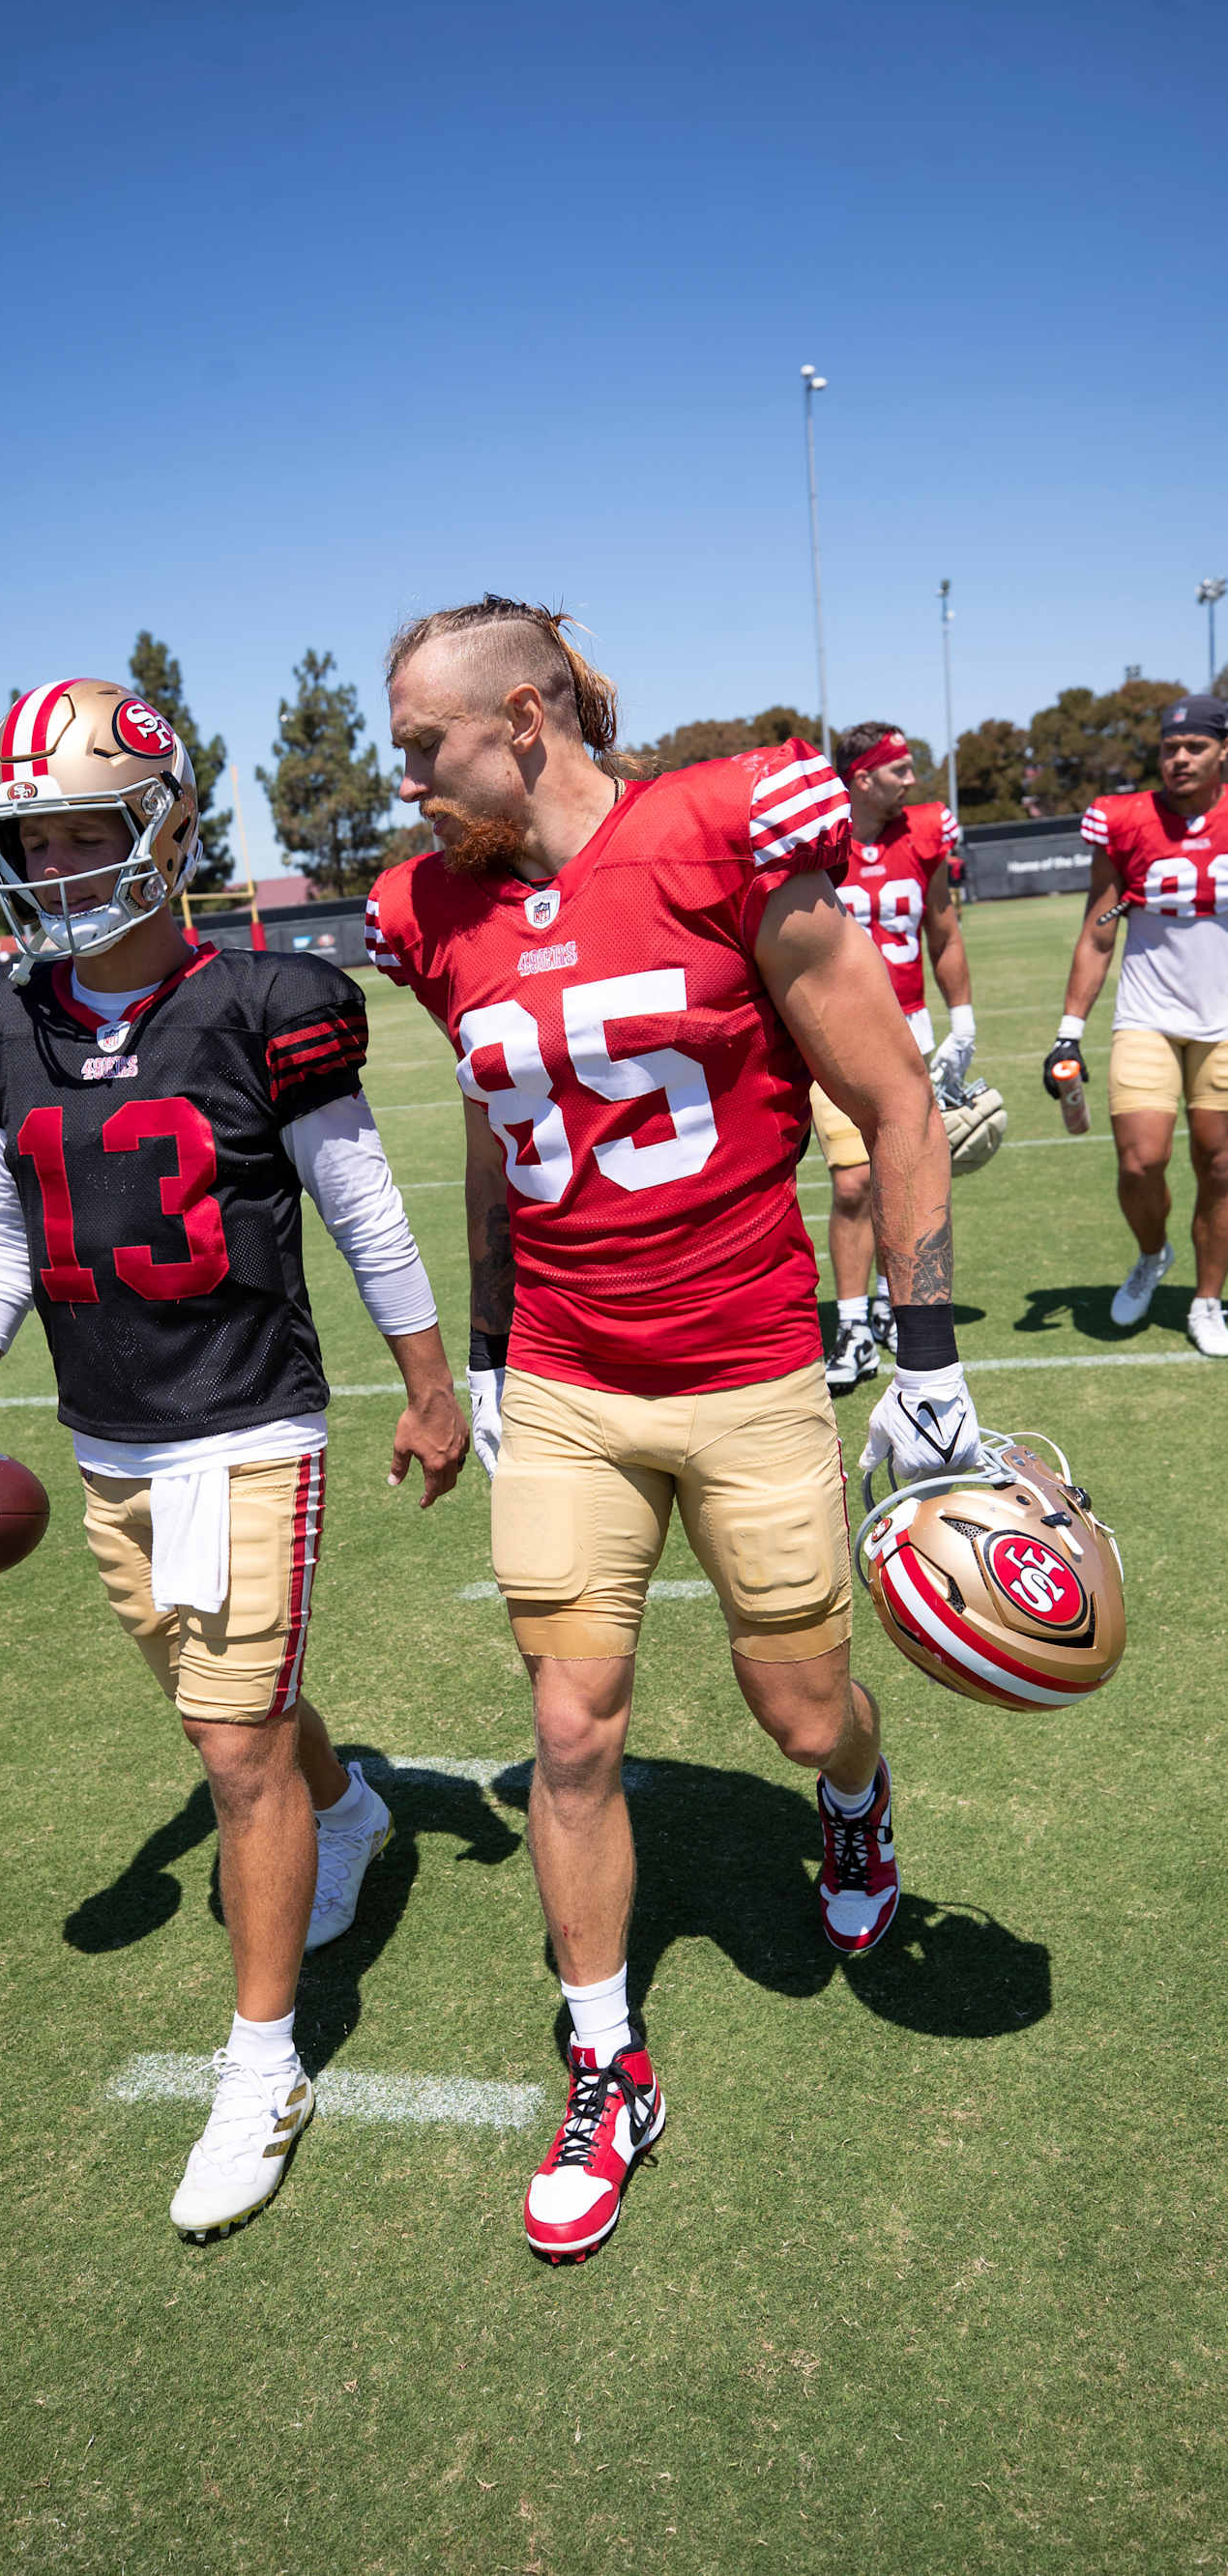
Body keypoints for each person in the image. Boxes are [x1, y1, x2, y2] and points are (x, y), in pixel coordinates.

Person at [365, 597, 980, 2262]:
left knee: (796, 1713)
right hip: (567, 1378)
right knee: (572, 1728)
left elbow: (896, 1101)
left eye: (423, 747)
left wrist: (924, 1363)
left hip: (744, 1366)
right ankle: (603, 2065)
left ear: (527, 715)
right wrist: (489, 1353)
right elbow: (501, 1135)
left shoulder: (720, 827)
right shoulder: (425, 911)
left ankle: (855, 1795)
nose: (402, 781)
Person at [0, 677, 467, 2242]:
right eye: (36, 836)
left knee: (228, 1750)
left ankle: (263, 2064)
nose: (64, 863)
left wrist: (428, 1381)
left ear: (167, 826)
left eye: (90, 829)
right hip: (104, 1442)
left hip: (244, 1424)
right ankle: (345, 1809)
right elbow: (4, 1217)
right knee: (238, 1713)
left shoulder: (267, 1004)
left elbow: (361, 1204)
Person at [1044, 693, 1228, 1356]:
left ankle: (1207, 1300)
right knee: (1139, 1160)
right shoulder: (1124, 821)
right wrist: (1068, 1030)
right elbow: (1098, 931)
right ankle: (1153, 1254)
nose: (1178, 759)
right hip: (1146, 1016)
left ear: (1221, 752)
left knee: (1220, 1166)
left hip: (1224, 1022)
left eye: (1194, 748)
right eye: (1168, 748)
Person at [811, 723, 972, 1392]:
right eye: (897, 768)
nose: (911, 779)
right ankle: (851, 1326)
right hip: (830, 1034)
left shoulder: (925, 832)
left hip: (908, 1033)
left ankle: (889, 1295)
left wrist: (959, 1020)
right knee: (852, 1182)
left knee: (901, 1180)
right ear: (860, 777)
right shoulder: (820, 840)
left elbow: (941, 929)